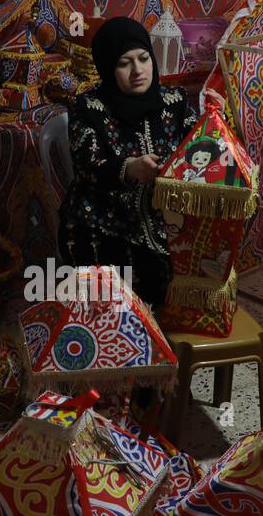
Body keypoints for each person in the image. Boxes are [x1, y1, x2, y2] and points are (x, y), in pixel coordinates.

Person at [59, 16, 197, 309]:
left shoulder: (175, 102)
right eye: (124, 63)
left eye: (144, 58)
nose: (138, 71)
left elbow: (201, 148)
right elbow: (87, 163)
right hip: (105, 221)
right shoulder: (89, 108)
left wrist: (215, 119)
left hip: (166, 218)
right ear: (108, 66)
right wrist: (129, 168)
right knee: (118, 300)